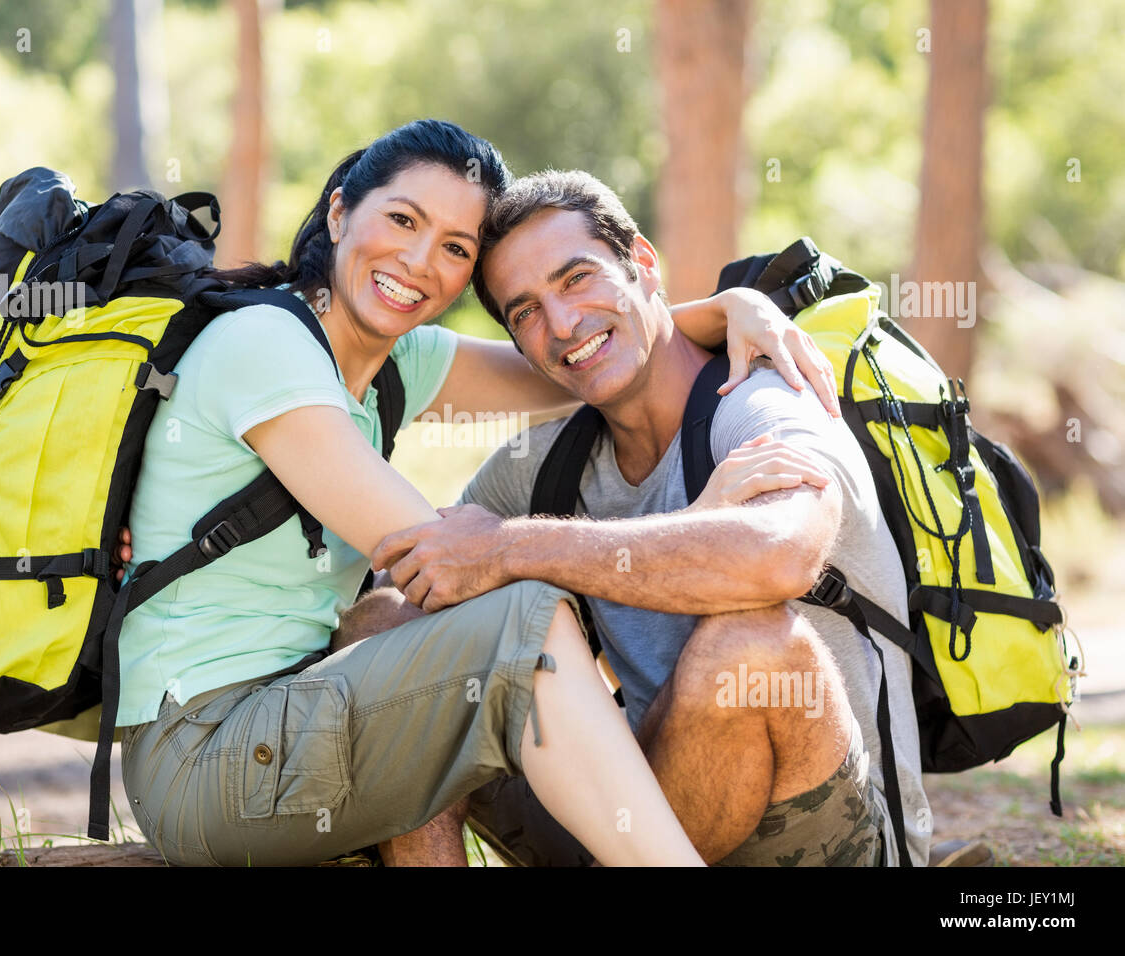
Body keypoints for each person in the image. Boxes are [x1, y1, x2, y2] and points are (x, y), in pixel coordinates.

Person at [110, 121, 837, 866]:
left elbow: (576, 354)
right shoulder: (265, 345)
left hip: (287, 728)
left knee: (435, 611)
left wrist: (733, 306)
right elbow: (455, 559)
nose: (420, 261)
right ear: (338, 216)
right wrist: (697, 523)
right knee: (521, 614)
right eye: (402, 220)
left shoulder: (402, 362)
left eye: (456, 248)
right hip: (204, 755)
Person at [367, 169, 932, 866]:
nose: (563, 324)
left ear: (642, 264)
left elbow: (782, 557)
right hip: (634, 815)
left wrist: (512, 550)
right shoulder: (546, 462)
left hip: (816, 830)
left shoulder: (762, 402)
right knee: (387, 626)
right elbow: (420, 569)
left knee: (746, 650)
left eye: (576, 279)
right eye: (526, 312)